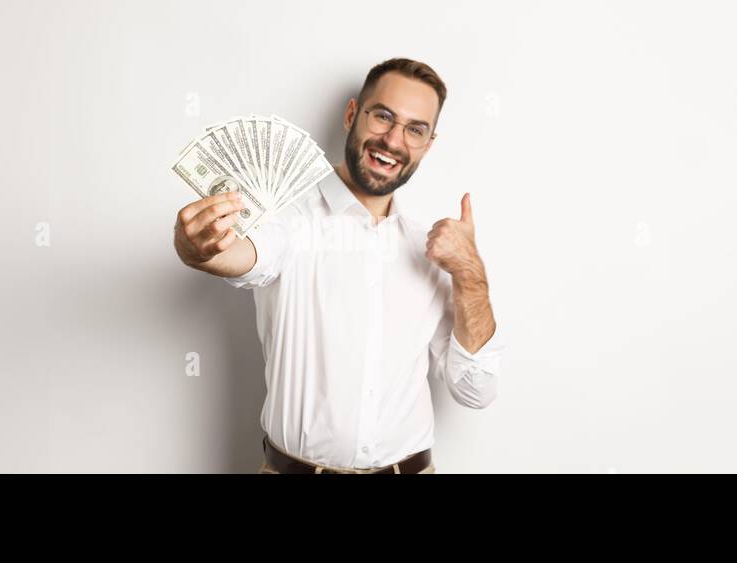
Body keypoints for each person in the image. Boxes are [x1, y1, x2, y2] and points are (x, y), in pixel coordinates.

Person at [173, 58, 503, 474]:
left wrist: (470, 273)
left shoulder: (433, 251)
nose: (394, 140)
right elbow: (238, 256)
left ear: (428, 144)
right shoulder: (289, 220)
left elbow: (476, 390)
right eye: (383, 116)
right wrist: (197, 247)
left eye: (414, 129)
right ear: (352, 115)